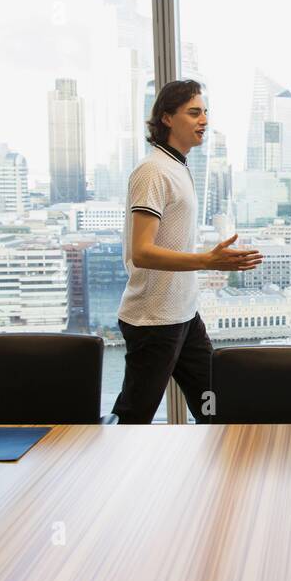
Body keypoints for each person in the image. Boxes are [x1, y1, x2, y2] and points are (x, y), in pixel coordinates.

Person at [111, 79, 262, 424]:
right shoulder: (153, 171)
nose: (204, 120)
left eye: (205, 112)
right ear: (166, 118)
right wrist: (208, 261)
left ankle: (217, 472)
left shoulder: (177, 167)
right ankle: (105, 474)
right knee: (134, 418)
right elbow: (143, 252)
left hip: (183, 314)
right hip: (154, 320)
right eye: (194, 112)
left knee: (213, 405)